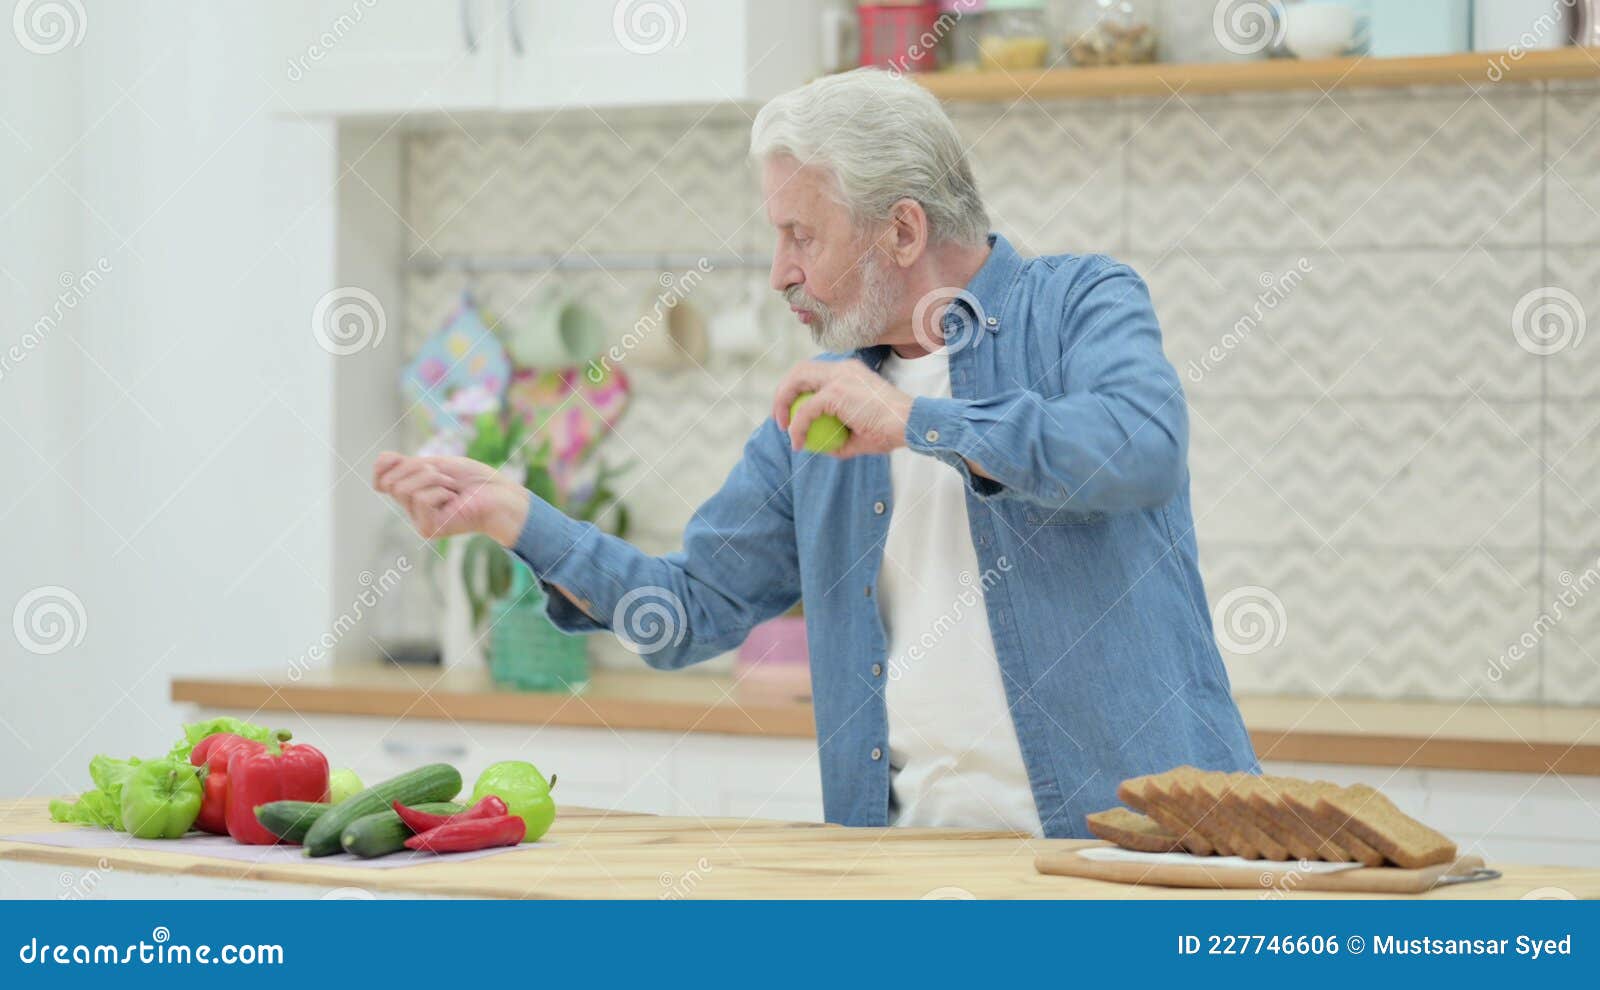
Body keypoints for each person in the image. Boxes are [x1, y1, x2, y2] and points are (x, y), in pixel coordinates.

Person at [374, 68, 1258, 838]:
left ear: (902, 232)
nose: (778, 272)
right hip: (899, 860)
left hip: (1123, 858)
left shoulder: (1077, 303)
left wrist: (918, 423)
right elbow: (688, 611)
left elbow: (1141, 448)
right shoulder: (825, 403)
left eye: (803, 235)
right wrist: (521, 520)